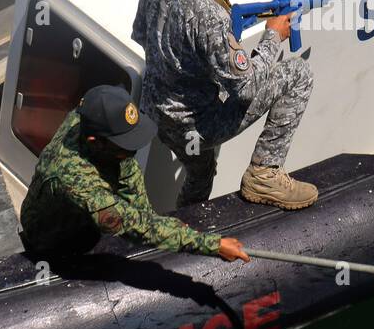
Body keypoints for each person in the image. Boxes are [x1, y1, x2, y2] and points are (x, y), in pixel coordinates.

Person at [131, 0, 317, 210]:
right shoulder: (211, 20)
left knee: (201, 172)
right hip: (195, 125)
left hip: (155, 111)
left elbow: (141, 32)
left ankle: (186, 221)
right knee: (298, 74)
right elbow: (245, 87)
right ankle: (264, 174)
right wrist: (272, 37)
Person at [19, 83, 248, 261]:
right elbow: (136, 226)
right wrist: (210, 244)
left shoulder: (89, 119)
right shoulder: (75, 180)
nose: (133, 150)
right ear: (95, 142)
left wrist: (158, 223)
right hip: (56, 241)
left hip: (88, 205)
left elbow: (128, 172)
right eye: (124, 145)